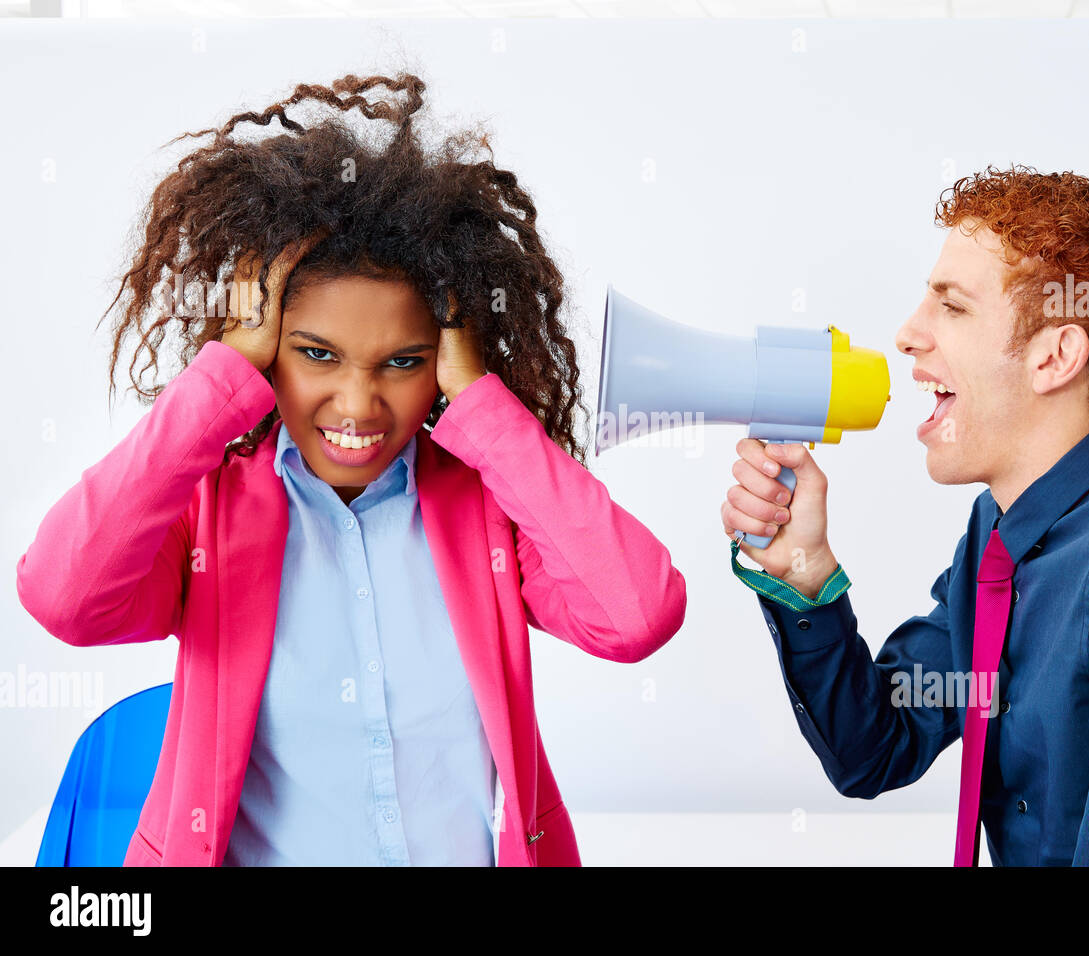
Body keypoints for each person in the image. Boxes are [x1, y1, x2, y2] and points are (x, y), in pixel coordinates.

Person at [16, 72, 687, 867]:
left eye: (402, 361)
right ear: (267, 349)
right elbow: (63, 597)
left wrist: (483, 406)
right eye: (316, 354)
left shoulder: (485, 507)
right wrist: (220, 374)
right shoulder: (211, 507)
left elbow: (637, 613)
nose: (359, 403)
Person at [720, 165, 1089, 866]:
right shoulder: (999, 530)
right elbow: (875, 746)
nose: (906, 335)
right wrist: (804, 570)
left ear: (1055, 357)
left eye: (951, 307)